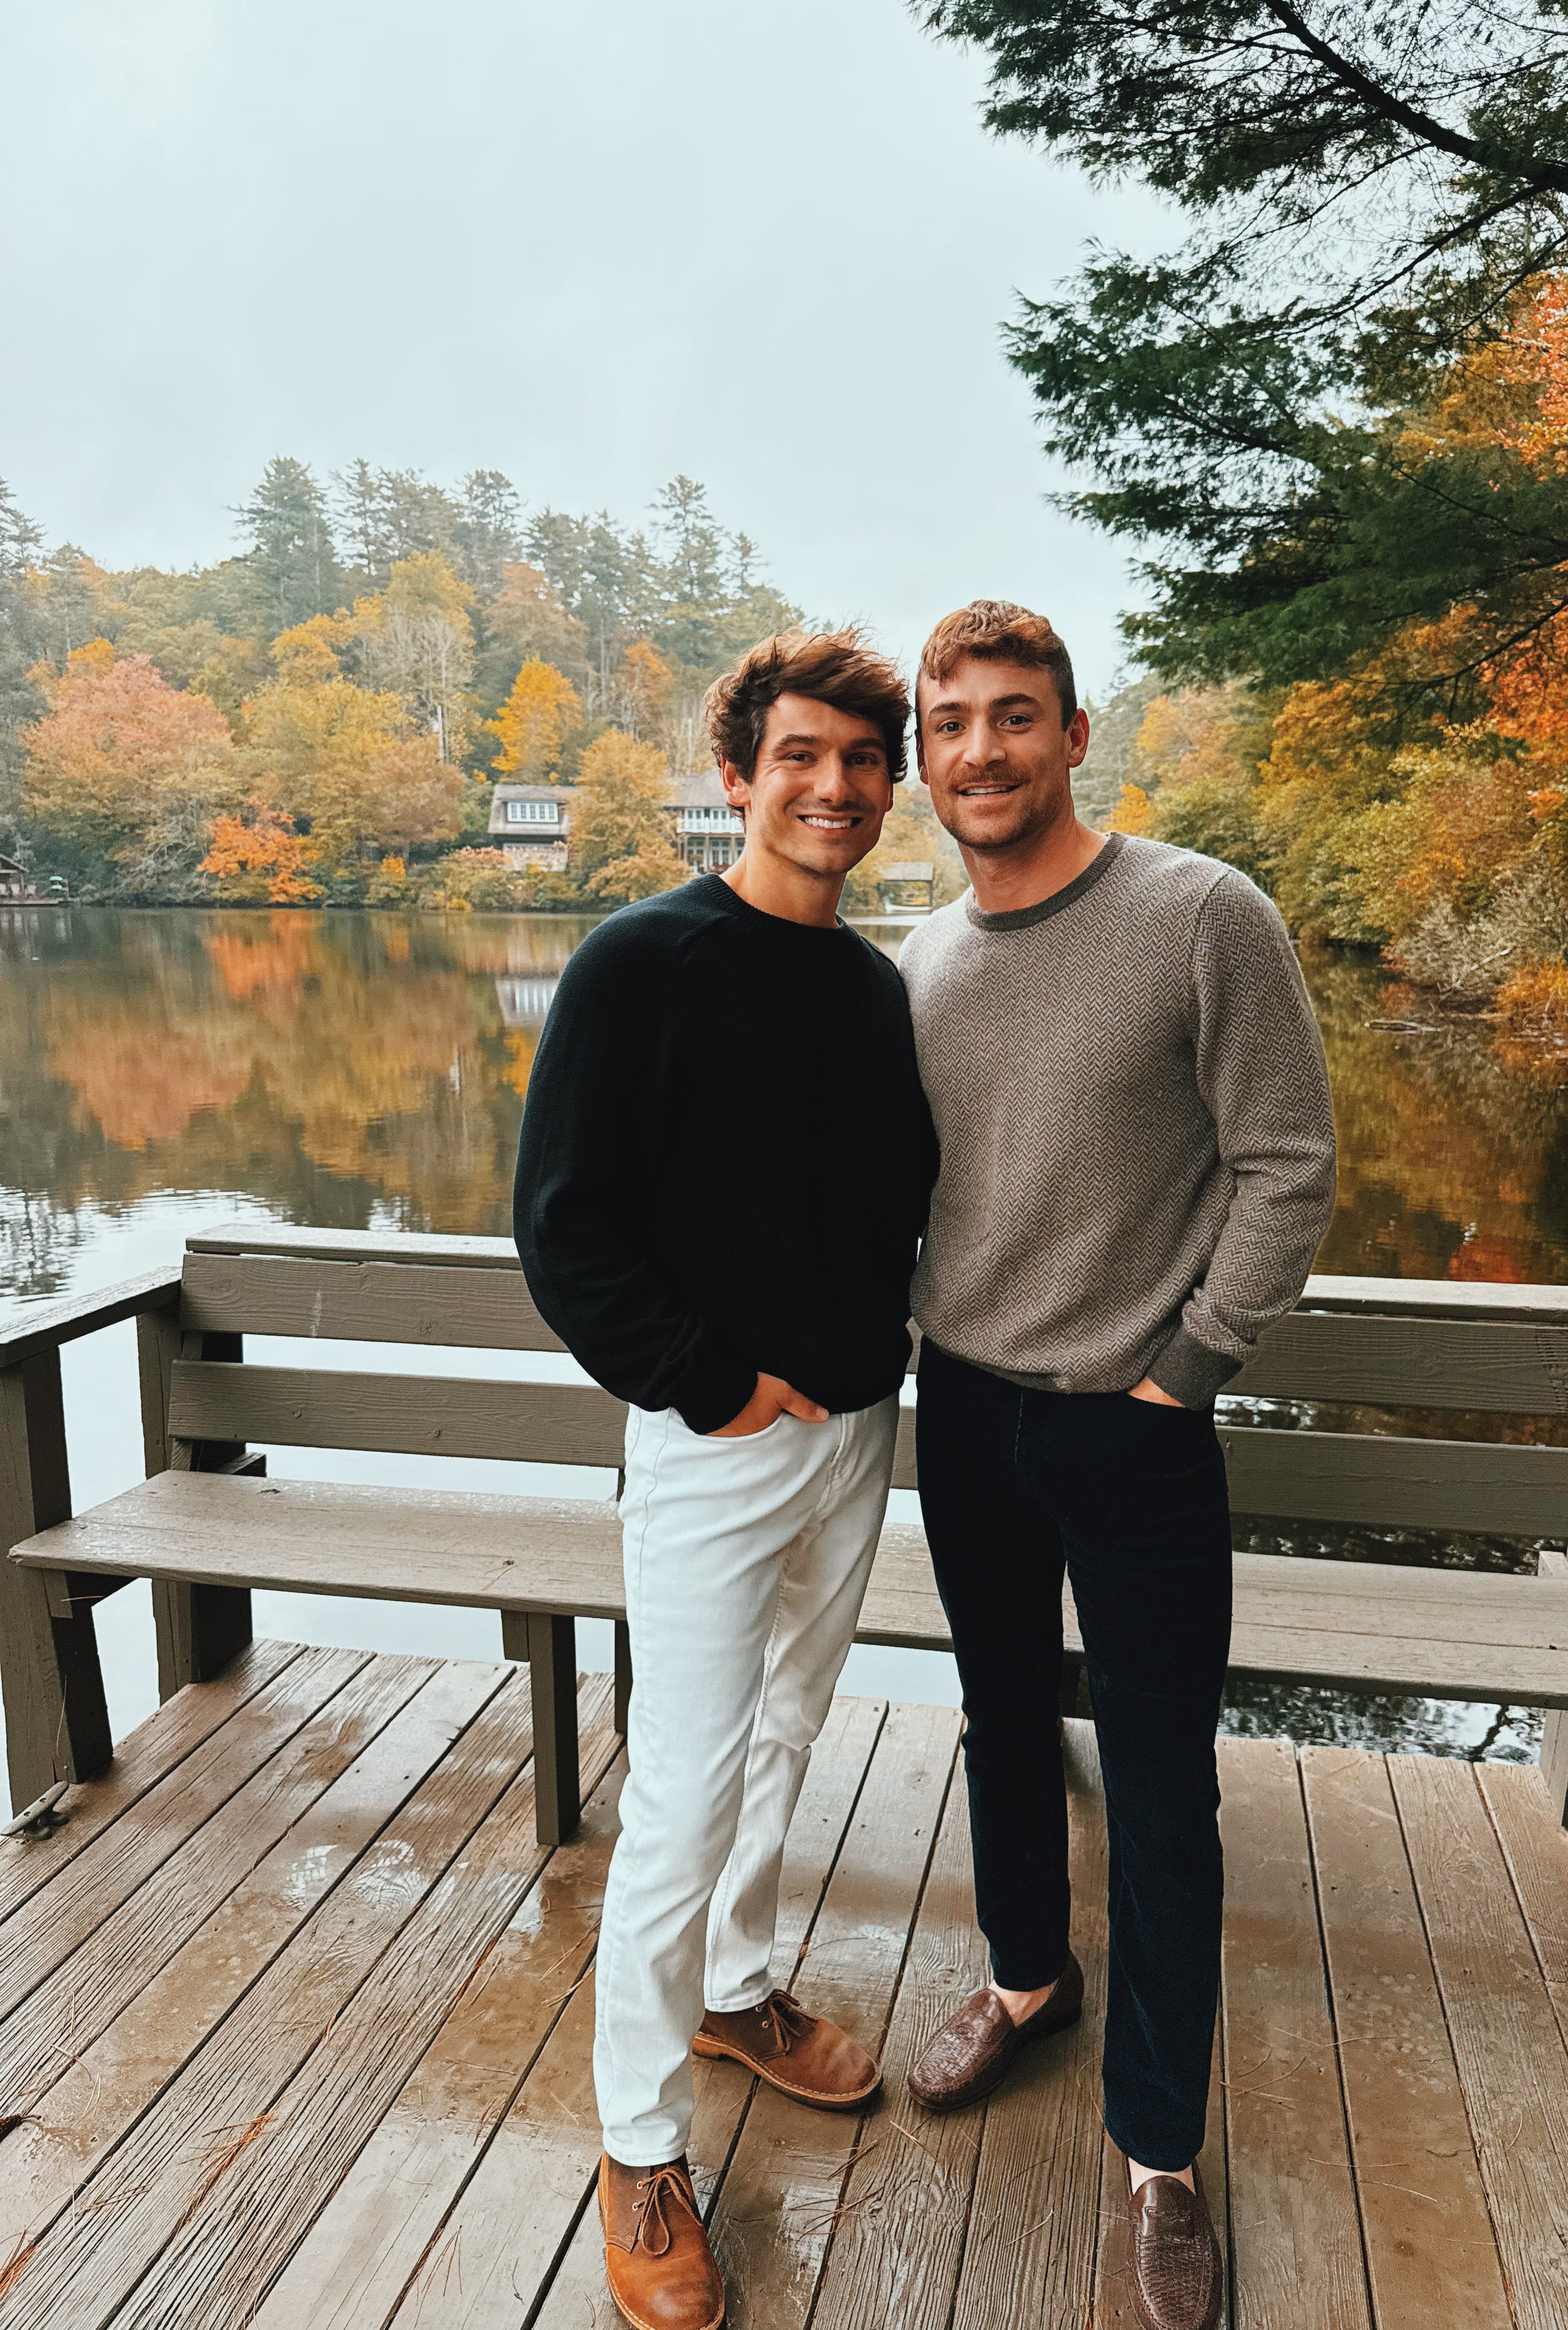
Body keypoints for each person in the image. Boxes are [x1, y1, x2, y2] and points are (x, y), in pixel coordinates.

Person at [898, 602, 1336, 2330]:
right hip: (964, 1412)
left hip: (1135, 1430)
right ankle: (1027, 1981)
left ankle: (1160, 2149)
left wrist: (1186, 1372)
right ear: (925, 756)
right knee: (1001, 1722)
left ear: (1077, 736)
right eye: (951, 723)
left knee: (1160, 1791)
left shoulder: (1202, 916)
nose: (982, 751)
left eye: (1015, 716)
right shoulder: (923, 960)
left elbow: (1288, 1162)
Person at [514, 628, 937, 2330]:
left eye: (863, 761)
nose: (834, 787)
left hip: (857, 1432)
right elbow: (564, 1228)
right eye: (801, 757)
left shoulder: (875, 989)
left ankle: (738, 1989)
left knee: (788, 1732)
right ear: (739, 776)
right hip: (713, 1444)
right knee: (683, 1788)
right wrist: (706, 1381)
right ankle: (640, 2148)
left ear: (888, 787)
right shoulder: (642, 963)